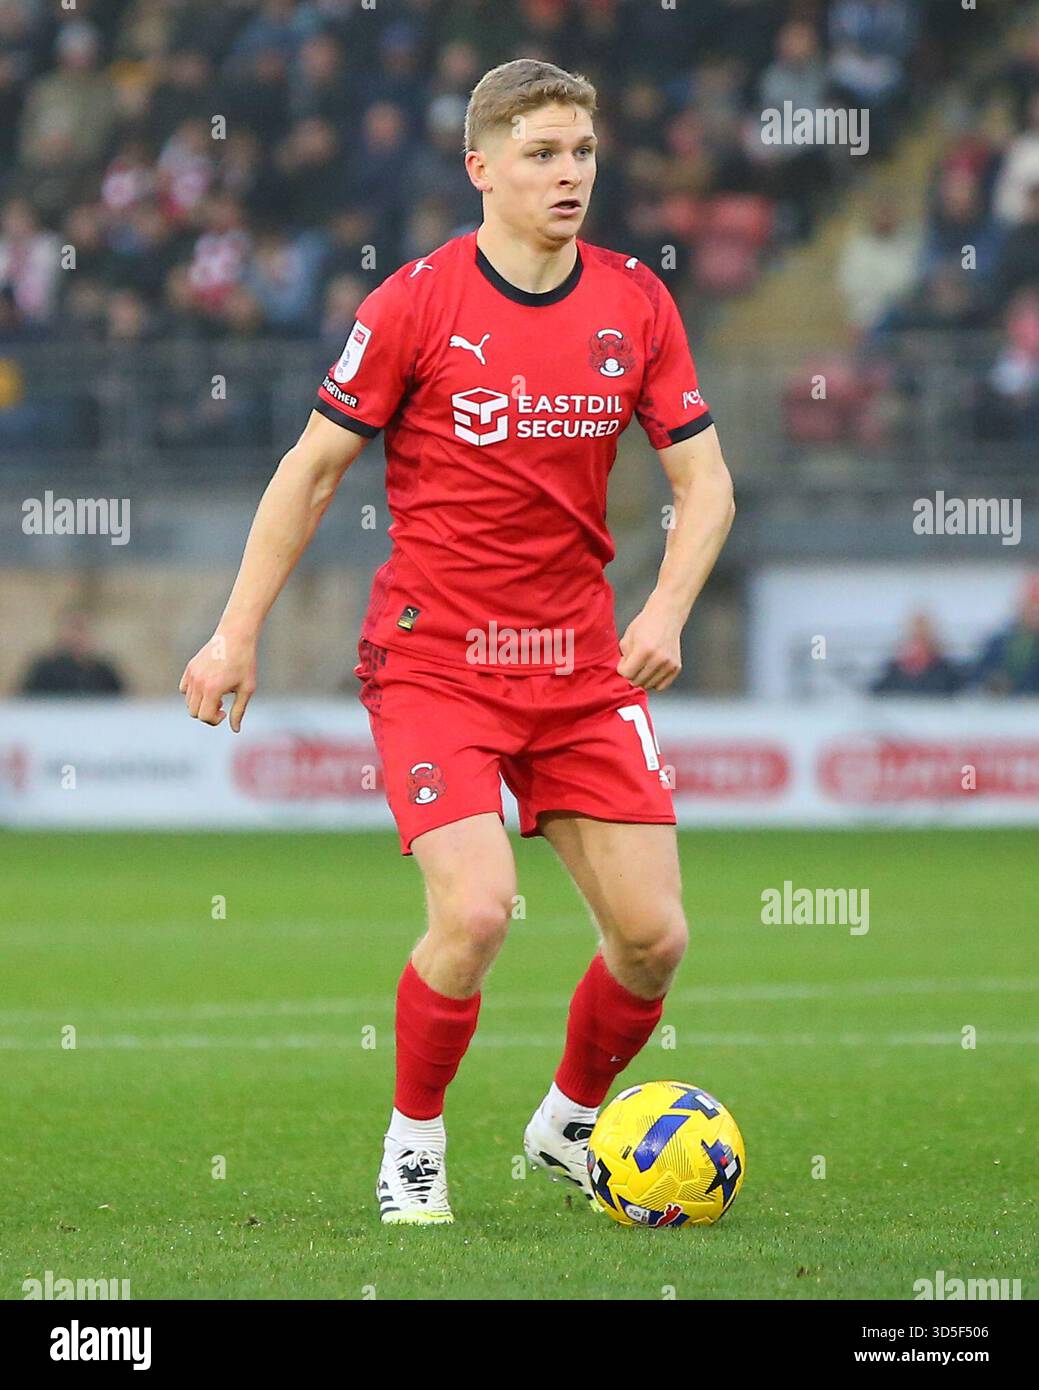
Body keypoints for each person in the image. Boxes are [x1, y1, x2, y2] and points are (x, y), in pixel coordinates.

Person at [179, 59, 735, 1226]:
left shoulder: (636, 300)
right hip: (437, 660)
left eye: (581, 151)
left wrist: (667, 608)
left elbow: (706, 480)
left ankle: (568, 1122)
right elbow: (312, 472)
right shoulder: (416, 304)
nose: (569, 173)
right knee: (476, 911)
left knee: (653, 939)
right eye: (542, 153)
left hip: (582, 666)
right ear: (481, 167)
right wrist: (234, 634)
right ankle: (413, 1141)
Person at [20, 609, 125, 696]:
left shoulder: (103, 671)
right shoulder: (45, 669)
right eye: (73, 629)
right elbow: (25, 702)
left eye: (82, 630)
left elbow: (123, 702)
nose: (77, 636)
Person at [870, 612, 962, 696]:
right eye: (914, 640)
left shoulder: (947, 674)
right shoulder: (892, 674)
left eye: (922, 641)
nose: (916, 648)